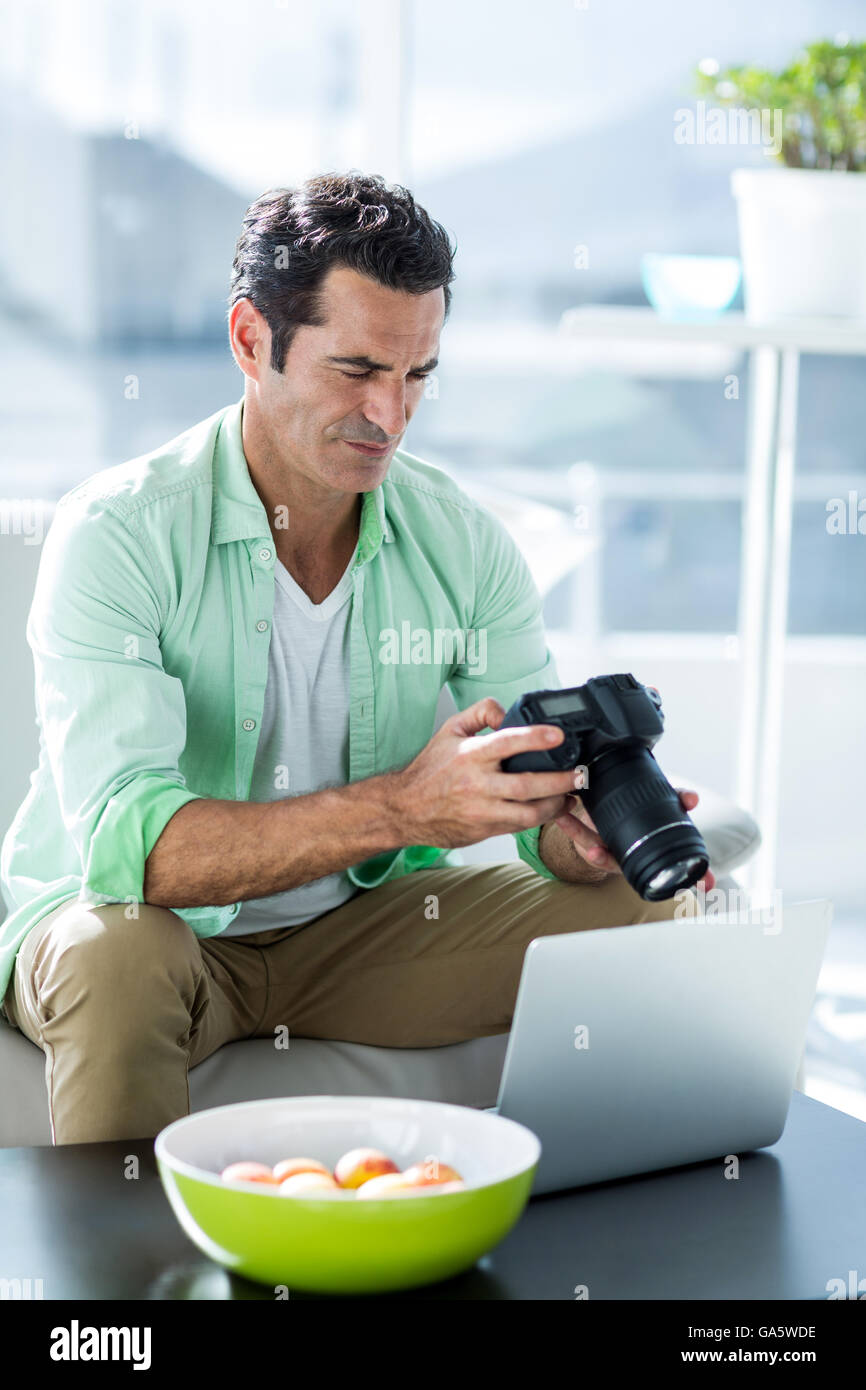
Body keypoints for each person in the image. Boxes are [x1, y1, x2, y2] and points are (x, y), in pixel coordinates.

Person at [0, 172, 711, 1144]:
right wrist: (403, 807)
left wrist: (568, 835)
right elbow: (141, 852)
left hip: (356, 931)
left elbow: (522, 786)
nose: (391, 414)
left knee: (659, 914)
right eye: (356, 369)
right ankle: (128, 1285)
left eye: (417, 375)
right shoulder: (117, 533)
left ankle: (593, 1251)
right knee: (114, 953)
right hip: (146, 931)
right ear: (251, 340)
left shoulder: (461, 540)